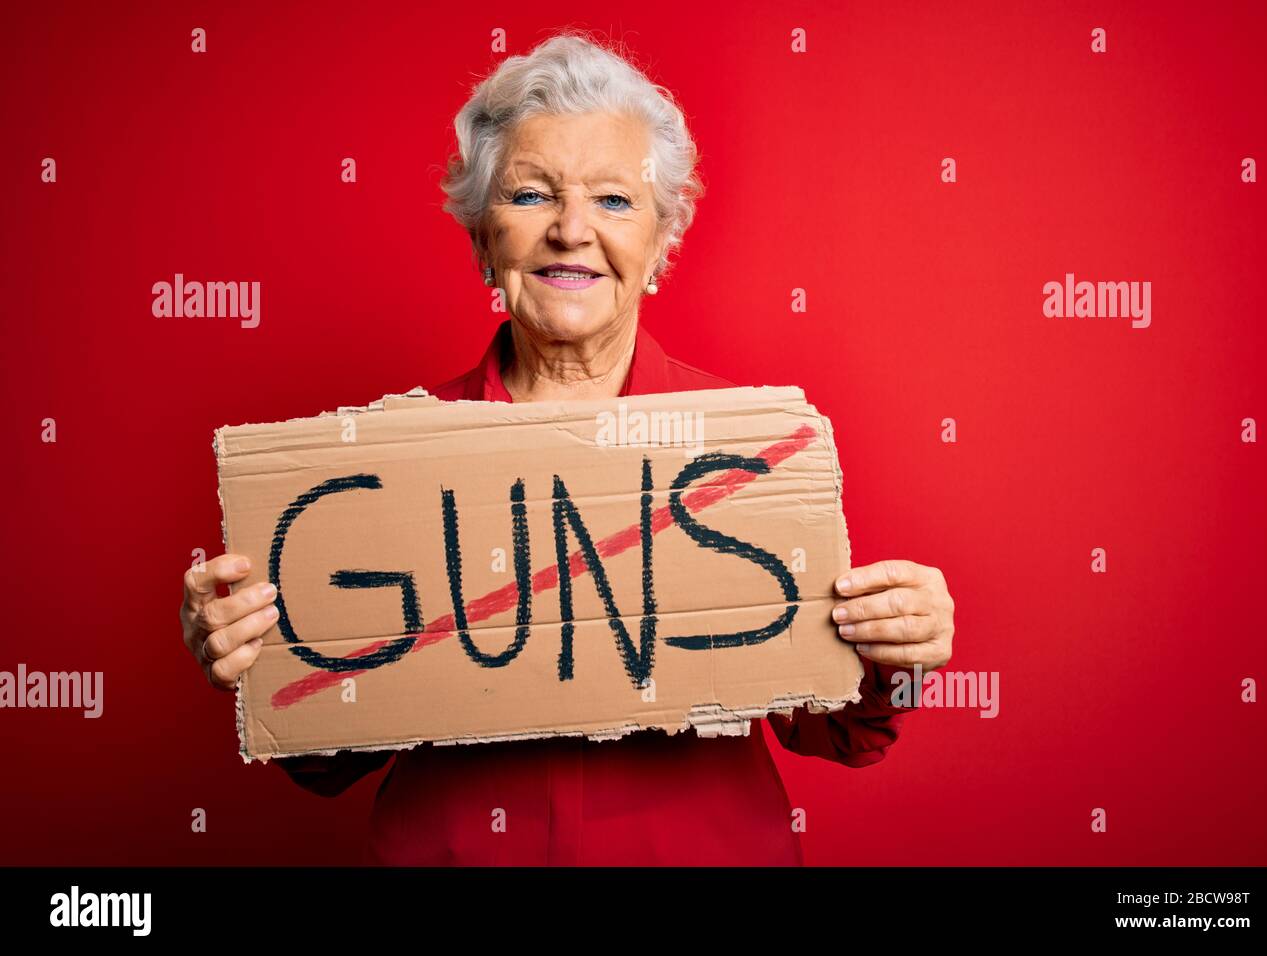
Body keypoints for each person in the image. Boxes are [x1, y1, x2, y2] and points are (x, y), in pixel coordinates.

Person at [179, 31, 955, 865]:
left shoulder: (745, 446)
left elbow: (843, 732)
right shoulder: (380, 461)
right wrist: (261, 654)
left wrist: (898, 652)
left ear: (661, 243)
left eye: (615, 202)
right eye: (531, 196)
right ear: (483, 239)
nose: (571, 230)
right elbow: (328, 764)